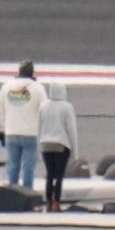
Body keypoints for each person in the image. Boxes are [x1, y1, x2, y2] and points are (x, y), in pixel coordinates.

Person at [0, 62, 47, 190]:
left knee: (13, 165)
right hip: (30, 133)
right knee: (28, 166)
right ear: (32, 72)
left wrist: (7, 125)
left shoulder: (6, 86)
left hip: (11, 133)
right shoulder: (38, 88)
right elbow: (45, 111)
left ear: (19, 72)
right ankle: (27, 192)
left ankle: (12, 192)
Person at [38, 82, 77, 212]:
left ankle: (48, 202)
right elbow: (71, 130)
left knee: (50, 174)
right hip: (61, 145)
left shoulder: (43, 106)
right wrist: (75, 151)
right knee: (59, 176)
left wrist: (39, 145)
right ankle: (57, 202)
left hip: (45, 144)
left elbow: (39, 127)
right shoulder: (67, 107)